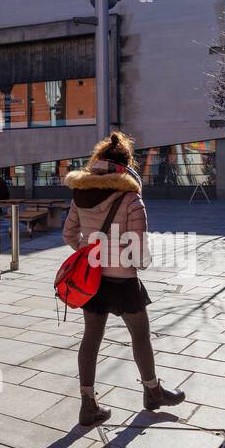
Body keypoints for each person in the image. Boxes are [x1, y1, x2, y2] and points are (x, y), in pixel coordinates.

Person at [63, 130, 185, 426]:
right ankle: (152, 392)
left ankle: (88, 404)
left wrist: (91, 252)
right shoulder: (132, 199)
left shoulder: (80, 194)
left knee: (91, 338)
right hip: (123, 281)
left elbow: (69, 234)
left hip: (93, 279)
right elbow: (139, 250)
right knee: (140, 336)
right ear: (126, 165)